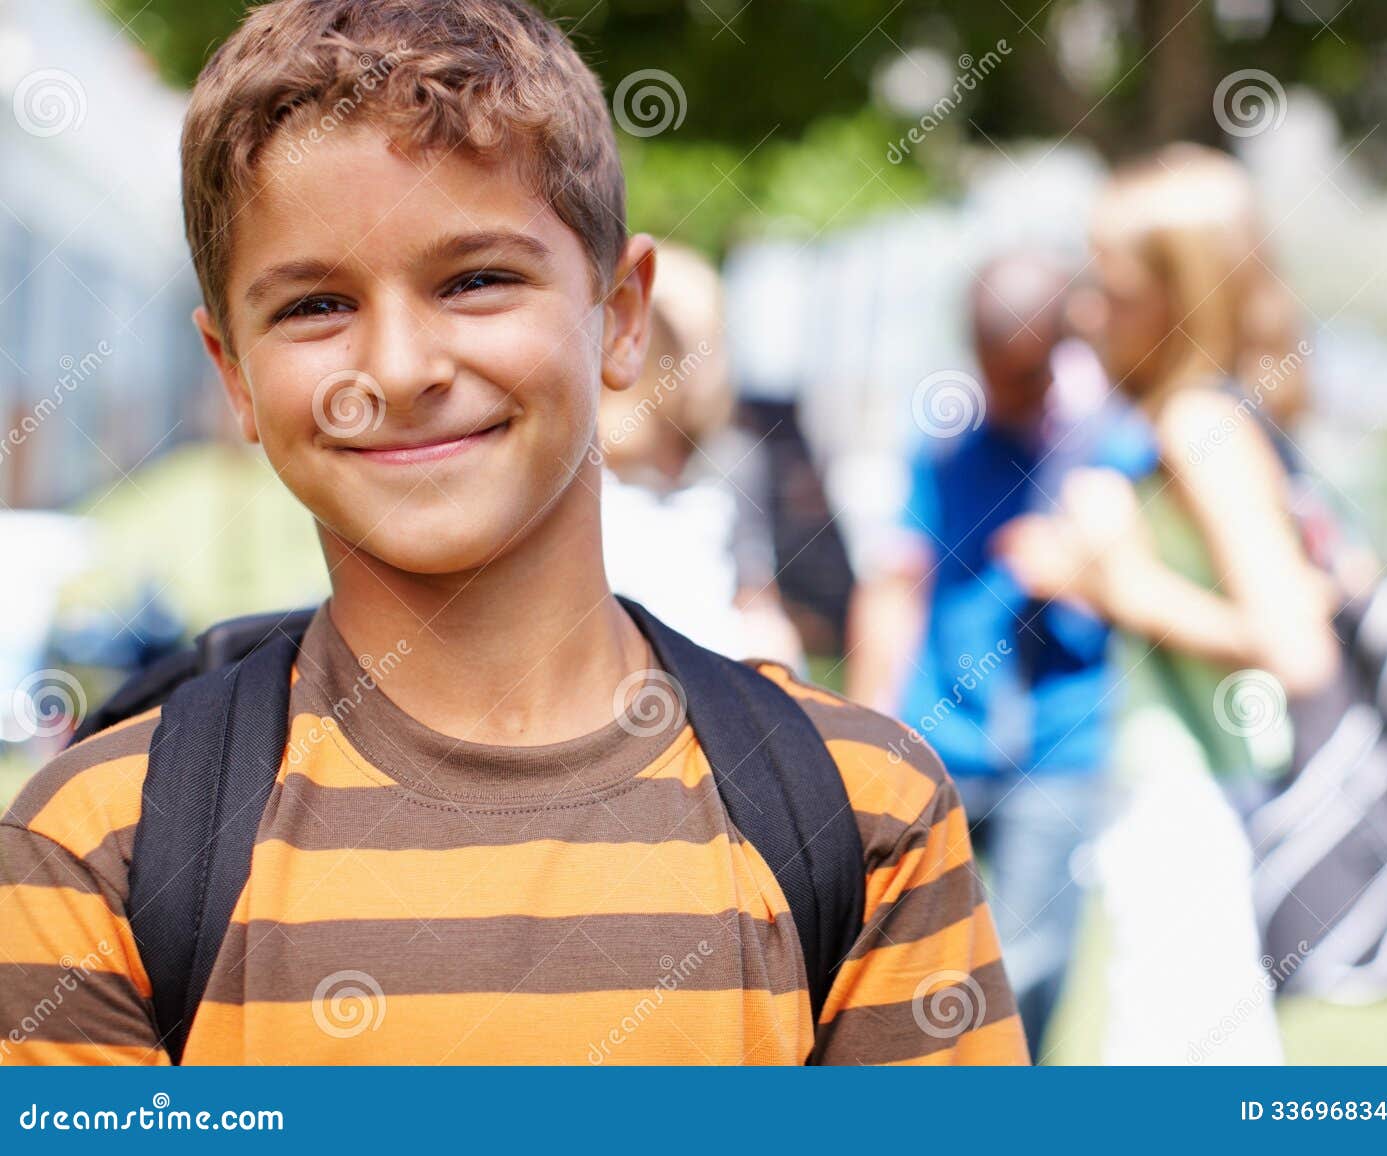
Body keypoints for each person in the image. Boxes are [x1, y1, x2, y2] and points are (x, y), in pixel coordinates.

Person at [0, 0, 1024, 1066]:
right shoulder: (99, 848)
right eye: (312, 304)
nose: (398, 370)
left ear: (622, 318)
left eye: (477, 280)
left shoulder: (859, 815)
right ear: (234, 375)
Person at [993, 144, 1337, 1062]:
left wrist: (1116, 583)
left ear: (1179, 299)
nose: (1088, 314)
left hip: (1197, 801)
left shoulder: (1198, 426)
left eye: (1110, 289)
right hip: (1181, 792)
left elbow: (1296, 644)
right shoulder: (1200, 421)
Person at [847, 251, 1153, 1059]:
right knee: (902, 970)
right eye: (994, 370)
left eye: (1022, 373)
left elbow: (1145, 593)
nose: (1006, 390)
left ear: (1061, 352)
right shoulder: (945, 447)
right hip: (941, 739)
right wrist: (871, 725)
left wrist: (1082, 567)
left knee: (1025, 973)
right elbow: (896, 583)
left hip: (1058, 749)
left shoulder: (1111, 448)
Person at [597, 242, 802, 665]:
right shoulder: (590, 469)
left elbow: (755, 594)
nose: (698, 363)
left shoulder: (732, 460)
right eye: (680, 342)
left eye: (709, 340)